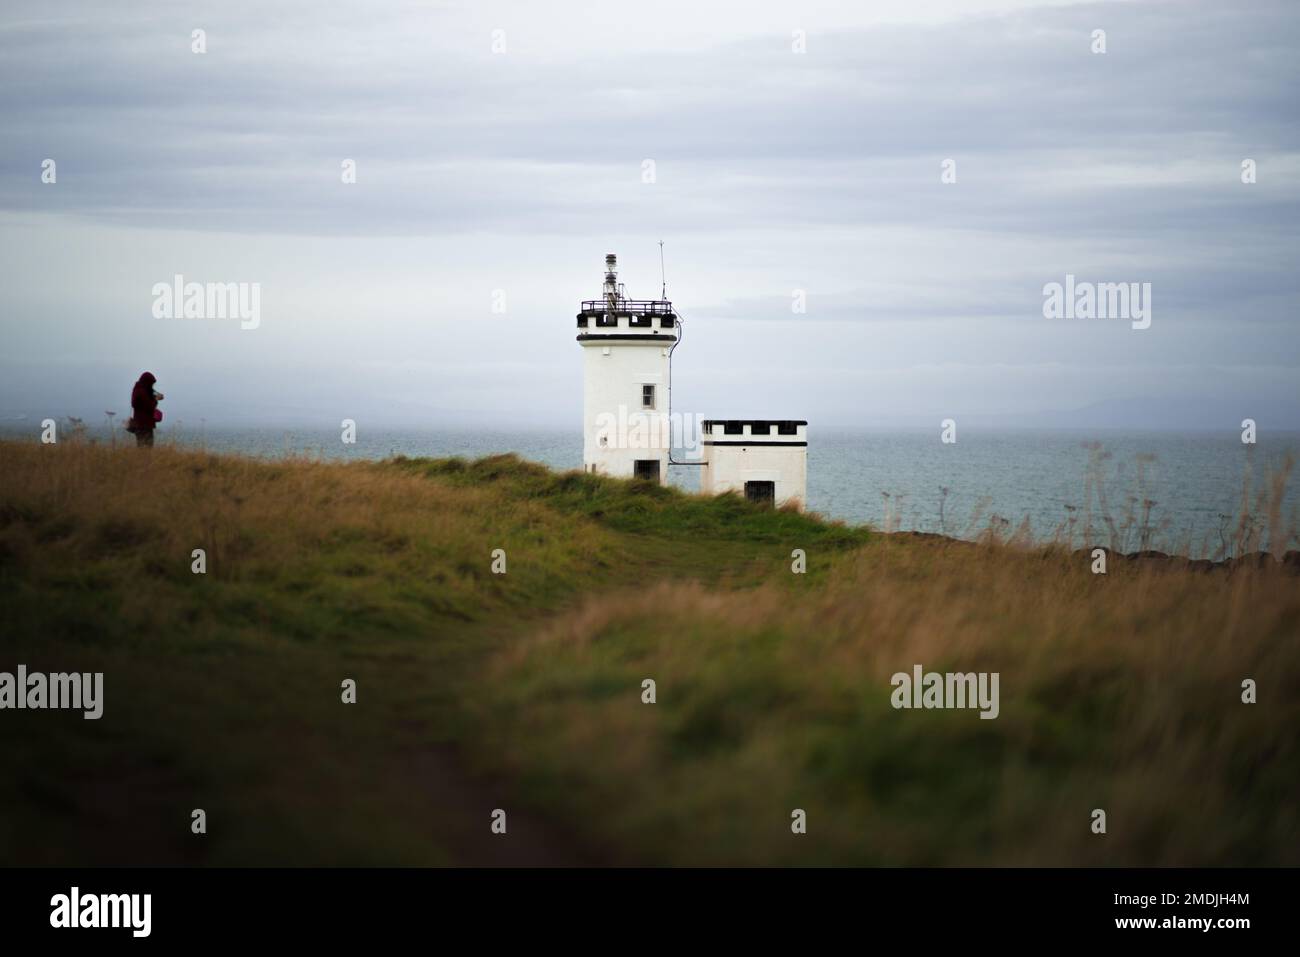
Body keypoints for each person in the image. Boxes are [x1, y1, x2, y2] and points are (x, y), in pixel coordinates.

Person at [129, 372, 163, 447]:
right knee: (147, 448)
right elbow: (149, 406)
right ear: (147, 382)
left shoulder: (138, 389)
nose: (152, 385)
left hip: (140, 423)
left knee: (142, 448)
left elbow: (146, 400)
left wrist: (155, 396)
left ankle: (141, 459)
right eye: (151, 383)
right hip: (144, 424)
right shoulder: (142, 392)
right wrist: (156, 399)